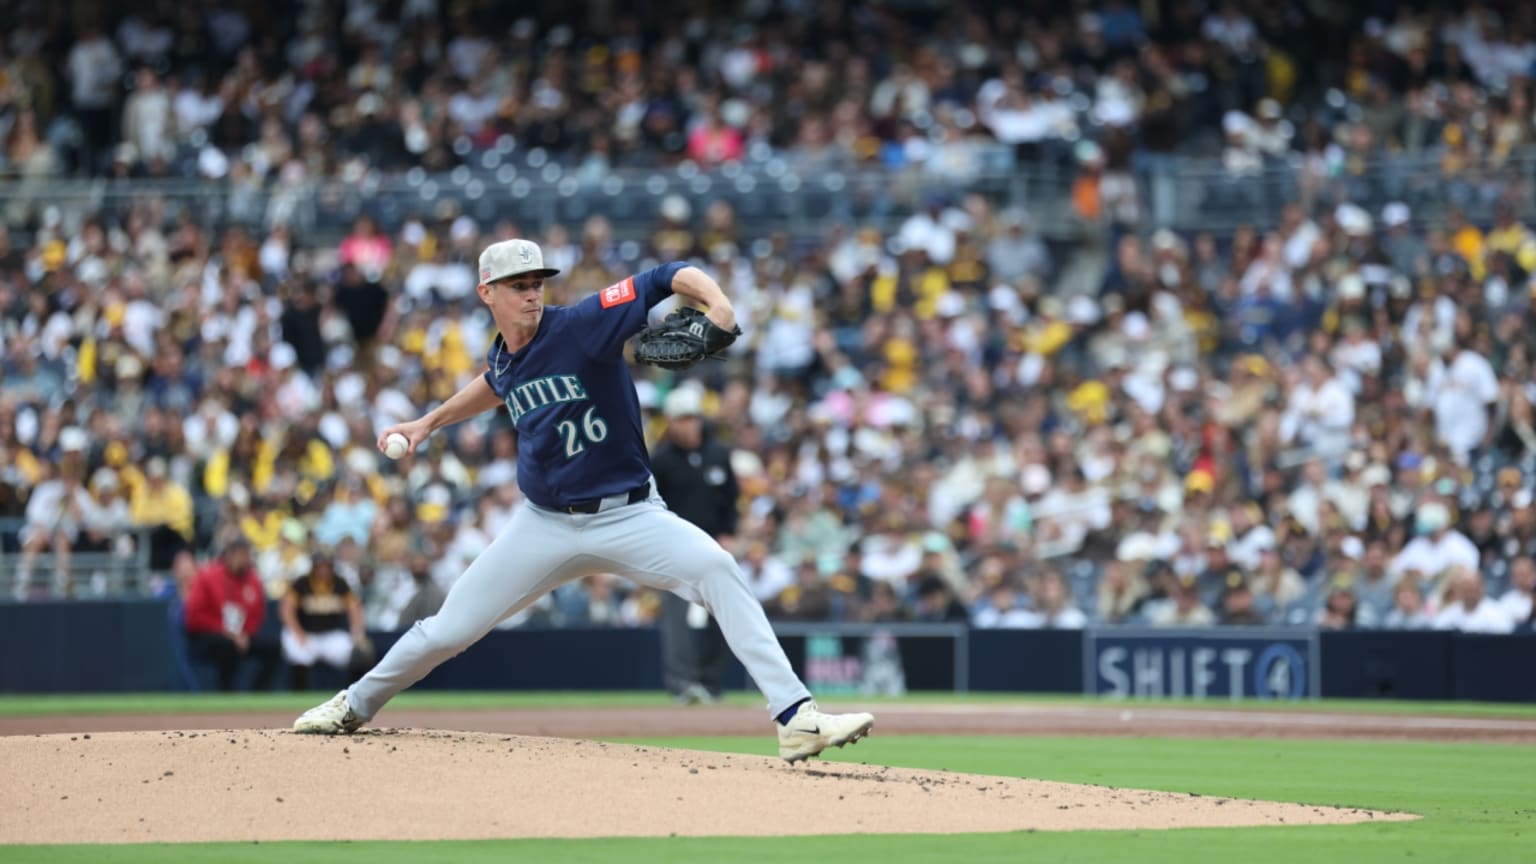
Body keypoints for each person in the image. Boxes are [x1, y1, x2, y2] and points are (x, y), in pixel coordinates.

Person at [294, 238, 874, 762]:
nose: (532, 293)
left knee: (718, 569)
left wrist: (718, 305)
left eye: (537, 283)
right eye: (518, 285)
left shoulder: (580, 324)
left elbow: (665, 275)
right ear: (486, 293)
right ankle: (353, 704)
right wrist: (429, 422)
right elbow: (496, 384)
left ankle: (796, 718)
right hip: (542, 525)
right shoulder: (504, 356)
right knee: (447, 630)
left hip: (629, 514)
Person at [649, 384, 737, 704]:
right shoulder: (661, 461)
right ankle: (681, 684)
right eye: (680, 419)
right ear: (670, 422)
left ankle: (712, 684)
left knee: (721, 614)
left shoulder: (719, 454)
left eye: (691, 418)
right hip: (674, 549)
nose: (687, 425)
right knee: (675, 618)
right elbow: (652, 506)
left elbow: (730, 500)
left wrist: (729, 533)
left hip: (714, 545)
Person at [182, 539, 280, 691]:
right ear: (229, 555)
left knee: (274, 647)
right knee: (228, 647)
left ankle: (259, 693)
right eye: (240, 556)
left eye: (246, 556)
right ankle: (226, 693)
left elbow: (258, 613)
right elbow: (194, 617)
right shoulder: (208, 576)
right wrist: (226, 631)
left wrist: (244, 634)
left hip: (242, 635)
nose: (244, 560)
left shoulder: (253, 579)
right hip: (209, 636)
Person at [279, 553, 370, 691]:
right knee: (297, 650)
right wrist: (298, 632)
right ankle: (299, 692)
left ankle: (351, 693)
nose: (324, 569)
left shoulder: (339, 583)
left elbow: (355, 608)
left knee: (357, 652)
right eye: (320, 566)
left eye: (327, 566)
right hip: (306, 634)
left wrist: (358, 632)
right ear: (313, 567)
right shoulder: (302, 583)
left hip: (330, 635)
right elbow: (286, 610)